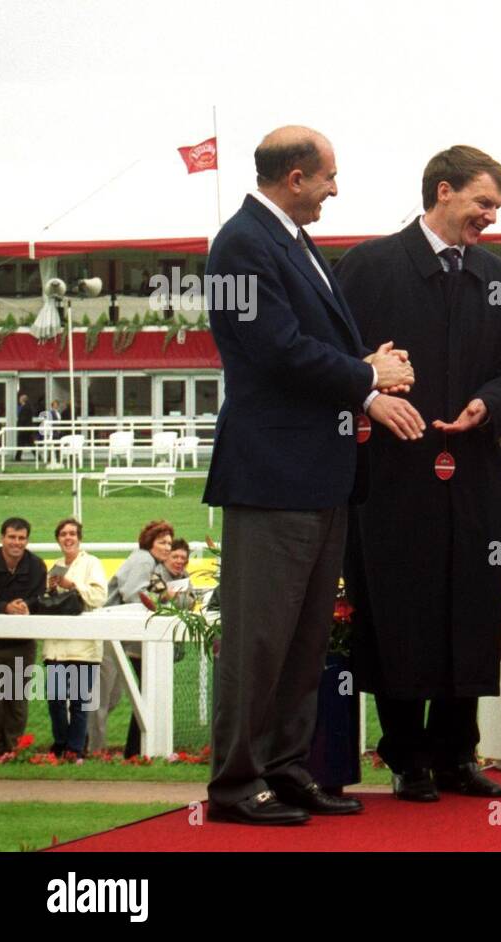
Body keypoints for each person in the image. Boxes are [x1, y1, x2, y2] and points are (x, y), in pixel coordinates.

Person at [203, 125, 422, 826]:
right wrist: (364, 374)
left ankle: (286, 769)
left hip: (320, 470)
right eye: (328, 176)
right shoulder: (239, 243)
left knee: (302, 638)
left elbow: (312, 343)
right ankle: (237, 783)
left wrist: (367, 367)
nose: (335, 189)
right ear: (295, 177)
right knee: (259, 637)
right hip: (270, 472)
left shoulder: (293, 243)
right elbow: (270, 350)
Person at [335, 145, 501, 803]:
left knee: (470, 608)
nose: (491, 216)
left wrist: (490, 404)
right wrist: (371, 396)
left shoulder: (499, 278)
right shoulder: (368, 268)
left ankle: (457, 753)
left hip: (474, 472)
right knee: (399, 610)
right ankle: (405, 758)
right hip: (391, 477)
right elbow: (329, 360)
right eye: (484, 203)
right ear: (443, 191)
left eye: (498, 207)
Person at [88, 519, 174, 759]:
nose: (167, 547)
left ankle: (87, 746)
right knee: (103, 699)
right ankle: (92, 752)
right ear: (150, 542)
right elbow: (133, 594)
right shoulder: (143, 559)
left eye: (169, 542)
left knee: (111, 697)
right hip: (108, 631)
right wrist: (160, 604)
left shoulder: (151, 563)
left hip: (118, 635)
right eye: (162, 542)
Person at [42, 518, 108, 761]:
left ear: (79, 537)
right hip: (57, 647)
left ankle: (75, 750)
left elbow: (99, 596)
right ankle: (60, 744)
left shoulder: (92, 563)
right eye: (63, 534)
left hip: (82, 647)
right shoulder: (55, 566)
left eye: (72, 533)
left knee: (79, 703)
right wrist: (49, 589)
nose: (68, 538)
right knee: (56, 701)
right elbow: (48, 604)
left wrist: (73, 585)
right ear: (58, 539)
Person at [0, 517, 45, 756]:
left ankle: (13, 750)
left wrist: (25, 605)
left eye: (21, 538)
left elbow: (40, 599)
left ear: (27, 539)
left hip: (22, 644)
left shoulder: (37, 565)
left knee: (16, 699)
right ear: (2, 538)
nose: (16, 542)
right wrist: (5, 607)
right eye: (12, 537)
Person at [13, 393, 32, 461]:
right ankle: (17, 457)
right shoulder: (26, 407)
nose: (19, 400)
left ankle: (17, 457)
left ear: (23, 400)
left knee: (21, 442)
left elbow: (23, 419)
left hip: (24, 429)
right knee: (29, 443)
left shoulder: (26, 408)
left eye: (20, 399)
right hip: (25, 428)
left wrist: (20, 427)